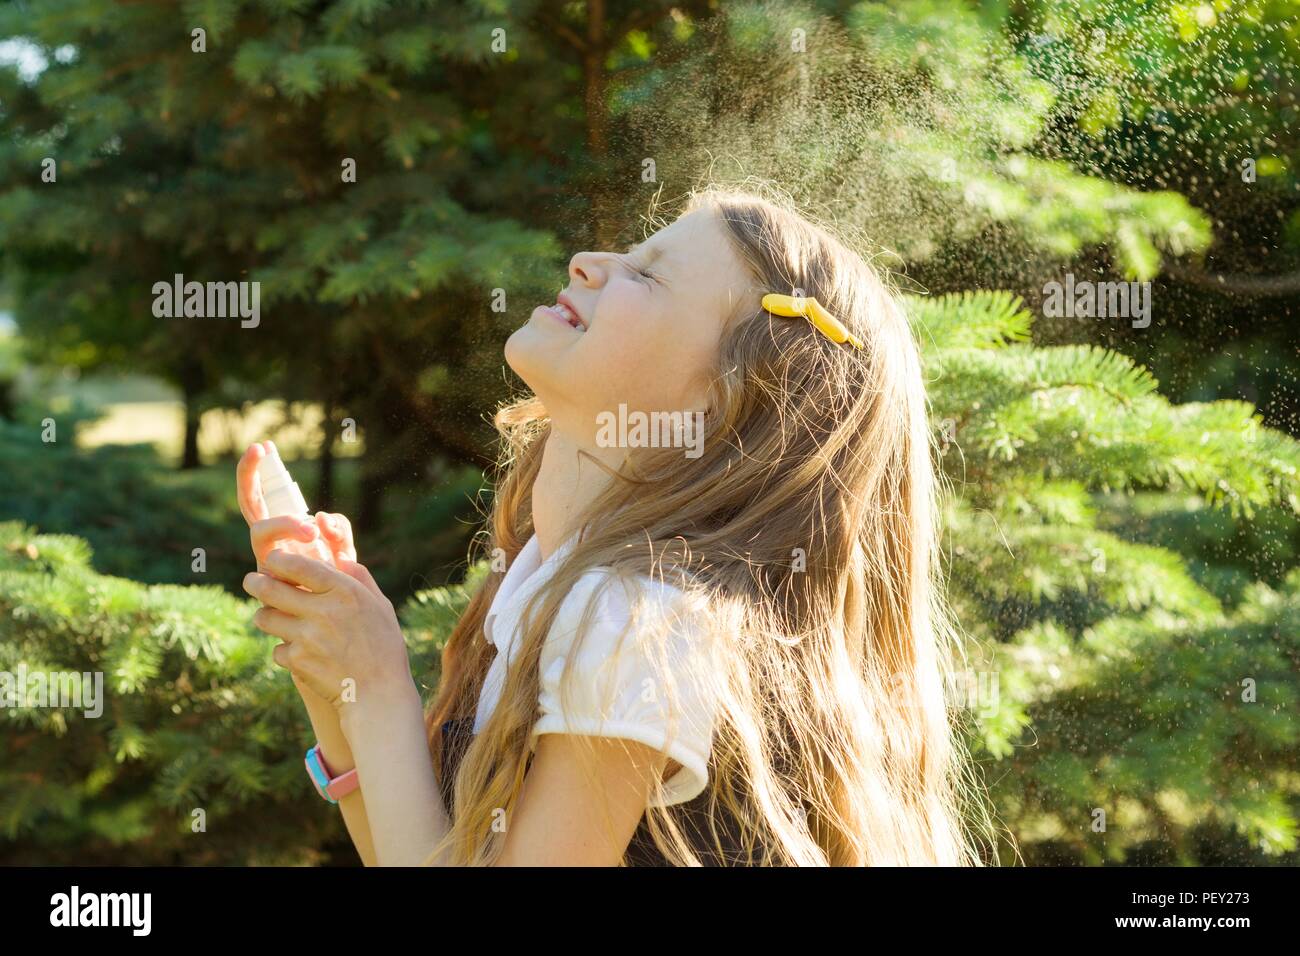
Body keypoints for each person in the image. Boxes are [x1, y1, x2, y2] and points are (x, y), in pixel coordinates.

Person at [236, 183, 993, 866]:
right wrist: (339, 678)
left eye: (650, 274)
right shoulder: (578, 591)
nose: (588, 262)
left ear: (733, 399)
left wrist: (377, 684)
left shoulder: (644, 621)